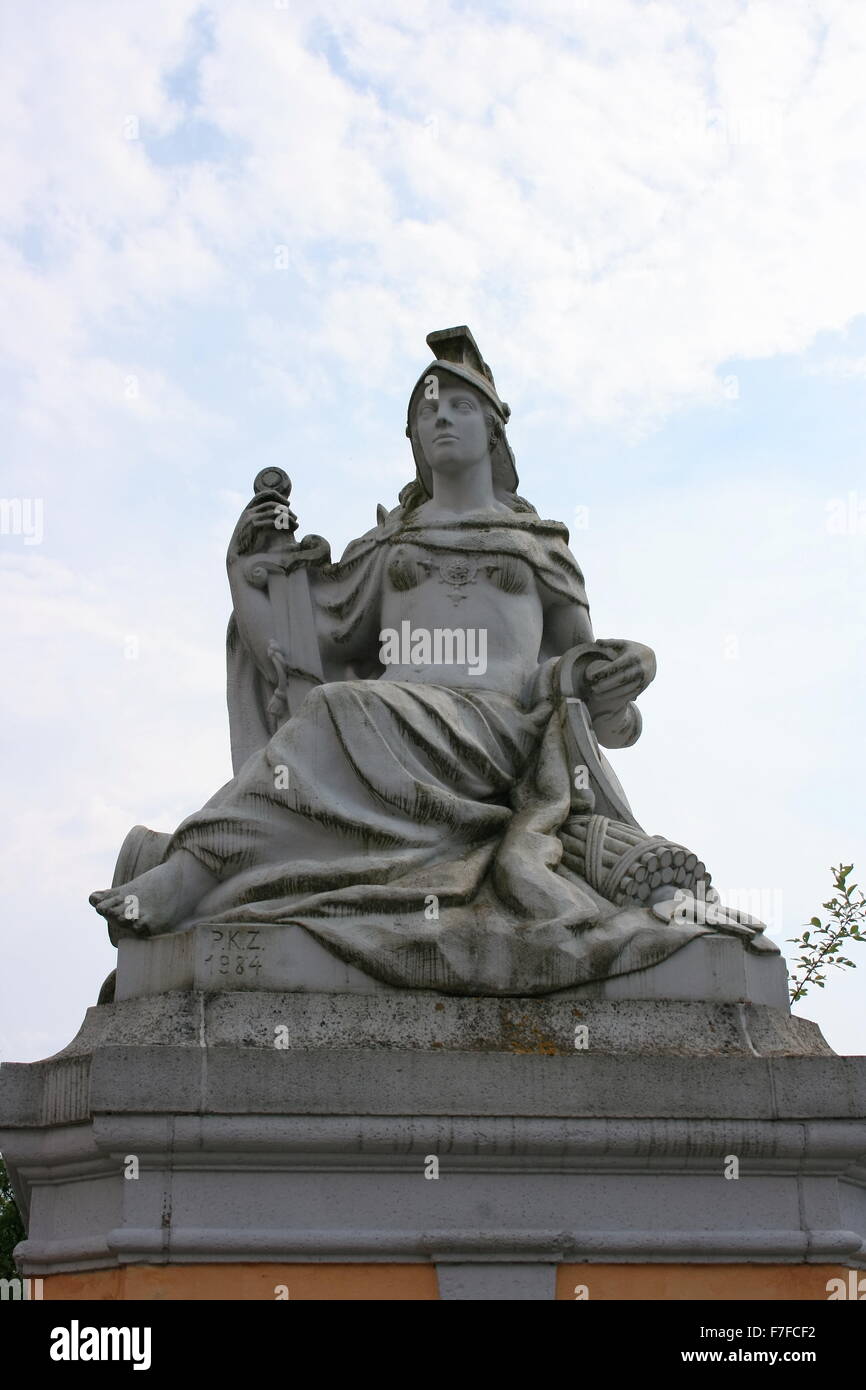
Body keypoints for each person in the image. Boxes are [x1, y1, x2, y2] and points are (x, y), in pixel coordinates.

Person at [90, 327, 771, 994]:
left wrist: (619, 671)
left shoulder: (543, 549)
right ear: (413, 439)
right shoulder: (389, 548)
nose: (440, 416)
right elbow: (299, 649)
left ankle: (189, 869)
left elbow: (581, 692)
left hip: (497, 738)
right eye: (426, 410)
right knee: (332, 716)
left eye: (458, 405)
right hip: (382, 725)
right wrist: (246, 574)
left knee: (339, 710)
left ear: (493, 431)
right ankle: (194, 868)